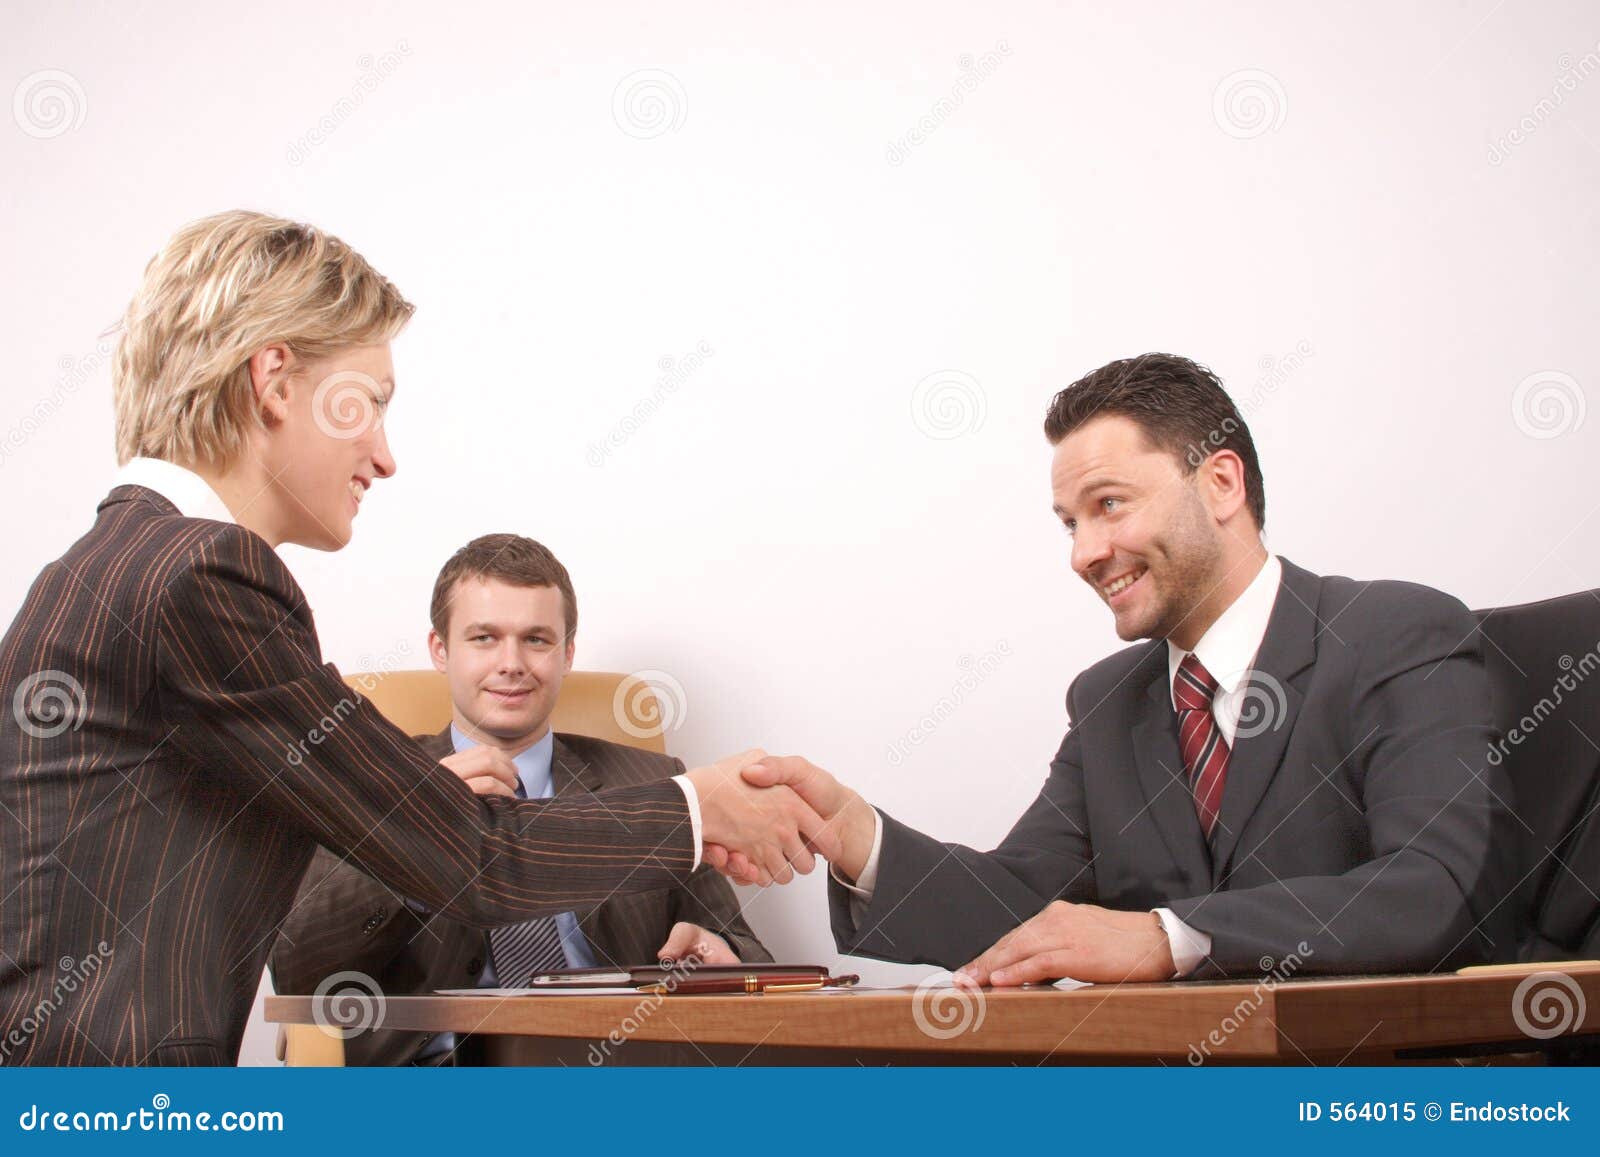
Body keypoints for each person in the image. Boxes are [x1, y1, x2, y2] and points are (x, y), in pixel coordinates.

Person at [0, 211, 827, 1066]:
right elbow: (474, 859)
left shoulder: (112, 560)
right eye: (370, 404)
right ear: (276, 380)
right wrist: (699, 808)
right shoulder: (199, 575)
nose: (385, 456)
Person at [735, 353, 1520, 983]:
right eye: (1070, 523)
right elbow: (1017, 913)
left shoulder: (1396, 634)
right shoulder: (1110, 701)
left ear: (1220, 483)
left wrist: (1168, 937)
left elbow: (1429, 888)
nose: (1084, 553)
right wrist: (855, 834)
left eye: (1109, 504)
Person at [271, 533, 773, 1065]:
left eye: (536, 639)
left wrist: (723, 957)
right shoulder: (368, 782)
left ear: (567, 653)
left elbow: (752, 959)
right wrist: (419, 827)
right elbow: (298, 962)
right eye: (484, 638)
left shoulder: (652, 782)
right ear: (440, 650)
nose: (512, 663)